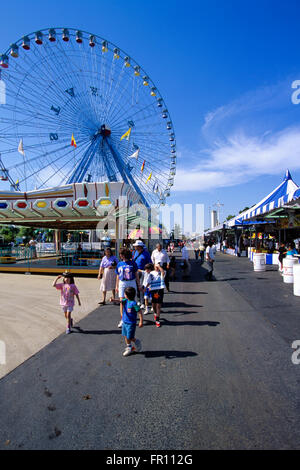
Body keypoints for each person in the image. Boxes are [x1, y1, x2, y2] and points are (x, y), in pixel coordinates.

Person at [115, 249, 142, 328]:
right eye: (120, 254)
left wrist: (138, 284)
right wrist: (116, 286)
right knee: (122, 301)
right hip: (122, 282)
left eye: (121, 254)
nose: (120, 255)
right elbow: (117, 275)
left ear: (125, 254)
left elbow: (136, 274)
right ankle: (123, 319)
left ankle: (133, 316)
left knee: (133, 300)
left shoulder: (132, 263)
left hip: (131, 281)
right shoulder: (119, 264)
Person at [114, 286, 143, 357]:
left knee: (130, 337)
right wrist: (113, 300)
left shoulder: (134, 304)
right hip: (124, 322)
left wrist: (141, 321)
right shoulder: (125, 300)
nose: (124, 295)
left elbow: (139, 312)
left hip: (131, 324)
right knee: (125, 335)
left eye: (125, 294)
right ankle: (129, 347)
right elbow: (120, 301)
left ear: (127, 295)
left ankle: (137, 341)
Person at [132, 240, 152, 307]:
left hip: (143, 272)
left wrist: (148, 271)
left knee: (142, 286)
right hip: (136, 272)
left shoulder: (146, 254)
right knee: (137, 286)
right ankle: (138, 300)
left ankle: (143, 302)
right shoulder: (134, 252)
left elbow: (149, 263)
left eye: (136, 246)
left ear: (140, 246)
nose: (135, 247)